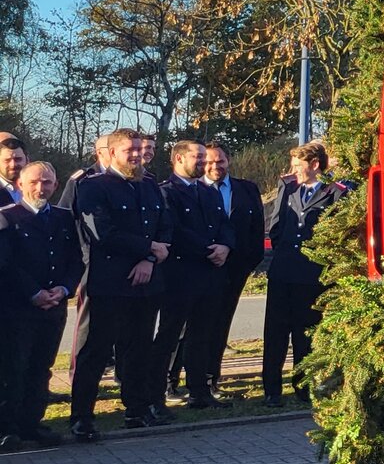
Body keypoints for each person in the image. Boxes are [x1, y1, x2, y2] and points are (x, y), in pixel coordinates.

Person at [71, 128, 172, 438]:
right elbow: (102, 233)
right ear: (111, 153)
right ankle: (82, 418)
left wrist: (150, 259)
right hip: (110, 283)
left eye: (140, 149)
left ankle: (136, 410)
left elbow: (164, 225)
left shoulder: (150, 185)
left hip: (146, 282)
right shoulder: (92, 186)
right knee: (97, 351)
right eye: (130, 150)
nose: (137, 155)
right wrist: (147, 249)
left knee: (139, 348)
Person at [0, 162, 83, 447]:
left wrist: (63, 289)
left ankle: (32, 423)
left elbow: (76, 259)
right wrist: (33, 293)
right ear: (21, 184)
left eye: (47, 182)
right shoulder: (7, 217)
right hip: (19, 308)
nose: (41, 187)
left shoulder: (63, 217)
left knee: (41, 368)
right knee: (14, 367)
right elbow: (6, 264)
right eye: (35, 182)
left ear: (56, 185)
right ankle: (8, 428)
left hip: (54, 306)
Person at [182, 142, 264, 400]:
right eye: (209, 162)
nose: (215, 166)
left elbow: (256, 228)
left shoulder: (247, 189)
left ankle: (211, 378)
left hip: (235, 269)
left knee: (221, 325)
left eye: (220, 161)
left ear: (229, 161)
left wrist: (249, 262)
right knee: (191, 327)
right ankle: (176, 381)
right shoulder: (194, 190)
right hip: (201, 267)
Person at [264, 141, 341, 407]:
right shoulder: (288, 187)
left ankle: (302, 386)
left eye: (299, 166)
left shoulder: (335, 192)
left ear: (315, 165)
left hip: (311, 274)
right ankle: (271, 389)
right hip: (283, 271)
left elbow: (336, 232)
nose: (294, 170)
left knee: (304, 333)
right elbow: (276, 226)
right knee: (275, 331)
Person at [158, 139, 231, 410]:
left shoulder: (209, 192)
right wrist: (207, 249)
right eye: (197, 158)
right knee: (171, 333)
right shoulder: (167, 192)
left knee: (202, 334)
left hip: (209, 274)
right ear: (178, 159)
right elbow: (174, 230)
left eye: (204, 158)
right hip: (181, 274)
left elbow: (224, 223)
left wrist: (225, 245)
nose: (203, 162)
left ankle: (199, 391)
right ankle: (160, 390)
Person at [0, 132, 26, 205]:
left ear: (27, 159)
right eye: (7, 160)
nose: (13, 165)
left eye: (18, 159)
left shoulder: (37, 187)